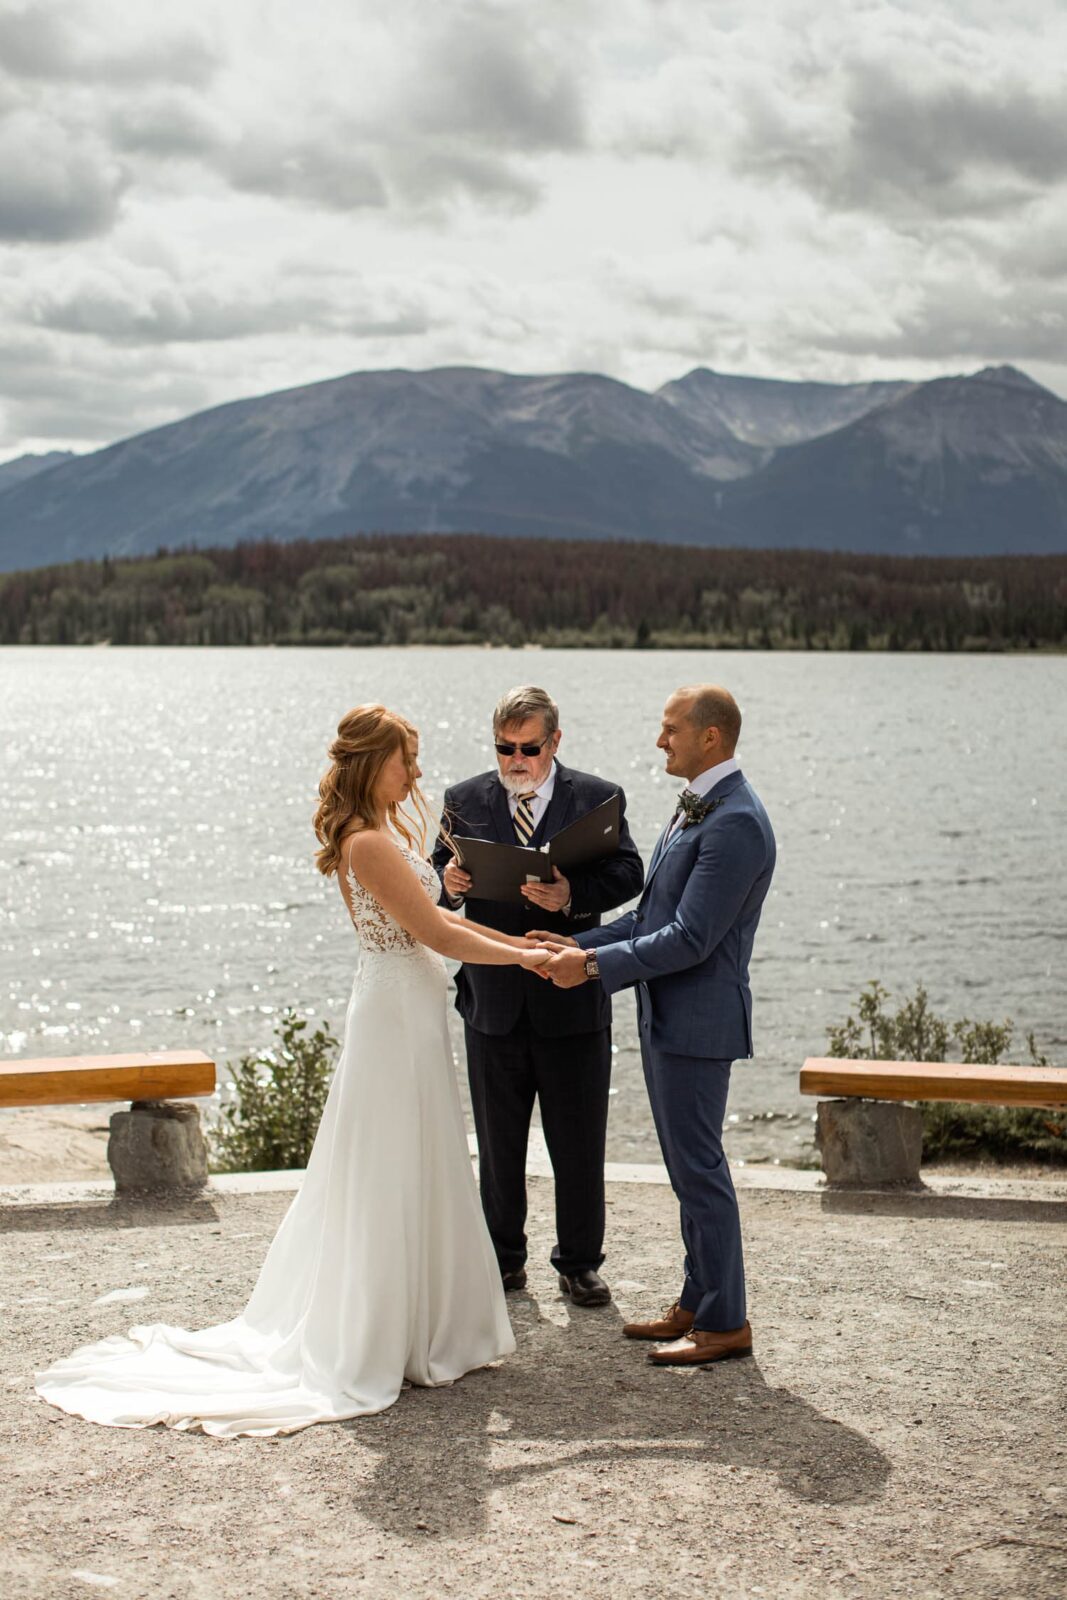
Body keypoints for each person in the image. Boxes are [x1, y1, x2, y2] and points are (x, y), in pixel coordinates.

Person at [36, 705, 552, 1437]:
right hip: (394, 1018)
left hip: (407, 1007)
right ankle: (385, 1332)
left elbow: (441, 921)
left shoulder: (387, 834)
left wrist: (512, 937)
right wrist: (529, 956)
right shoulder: (368, 843)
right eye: (407, 758)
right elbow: (434, 932)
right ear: (375, 763)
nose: (418, 773)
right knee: (388, 1165)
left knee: (419, 1159)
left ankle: (430, 1325)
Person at [532, 685, 775, 1365]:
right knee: (684, 1169)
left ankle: (726, 1321)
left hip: (698, 1024)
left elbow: (691, 939)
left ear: (710, 738)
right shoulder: (698, 807)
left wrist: (587, 974)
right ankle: (696, 1301)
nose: (658, 740)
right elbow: (648, 919)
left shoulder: (735, 822)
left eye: (670, 730)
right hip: (667, 1016)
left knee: (699, 1170)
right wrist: (576, 946)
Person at [433, 686, 644, 1308]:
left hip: (571, 998)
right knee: (498, 1146)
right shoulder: (463, 800)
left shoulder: (598, 798)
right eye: (504, 747)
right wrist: (448, 882)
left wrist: (571, 896)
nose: (514, 759)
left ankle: (580, 1263)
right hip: (492, 1001)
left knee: (579, 1142)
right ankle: (502, 1260)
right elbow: (434, 888)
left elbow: (629, 875)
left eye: (527, 747)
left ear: (555, 741)